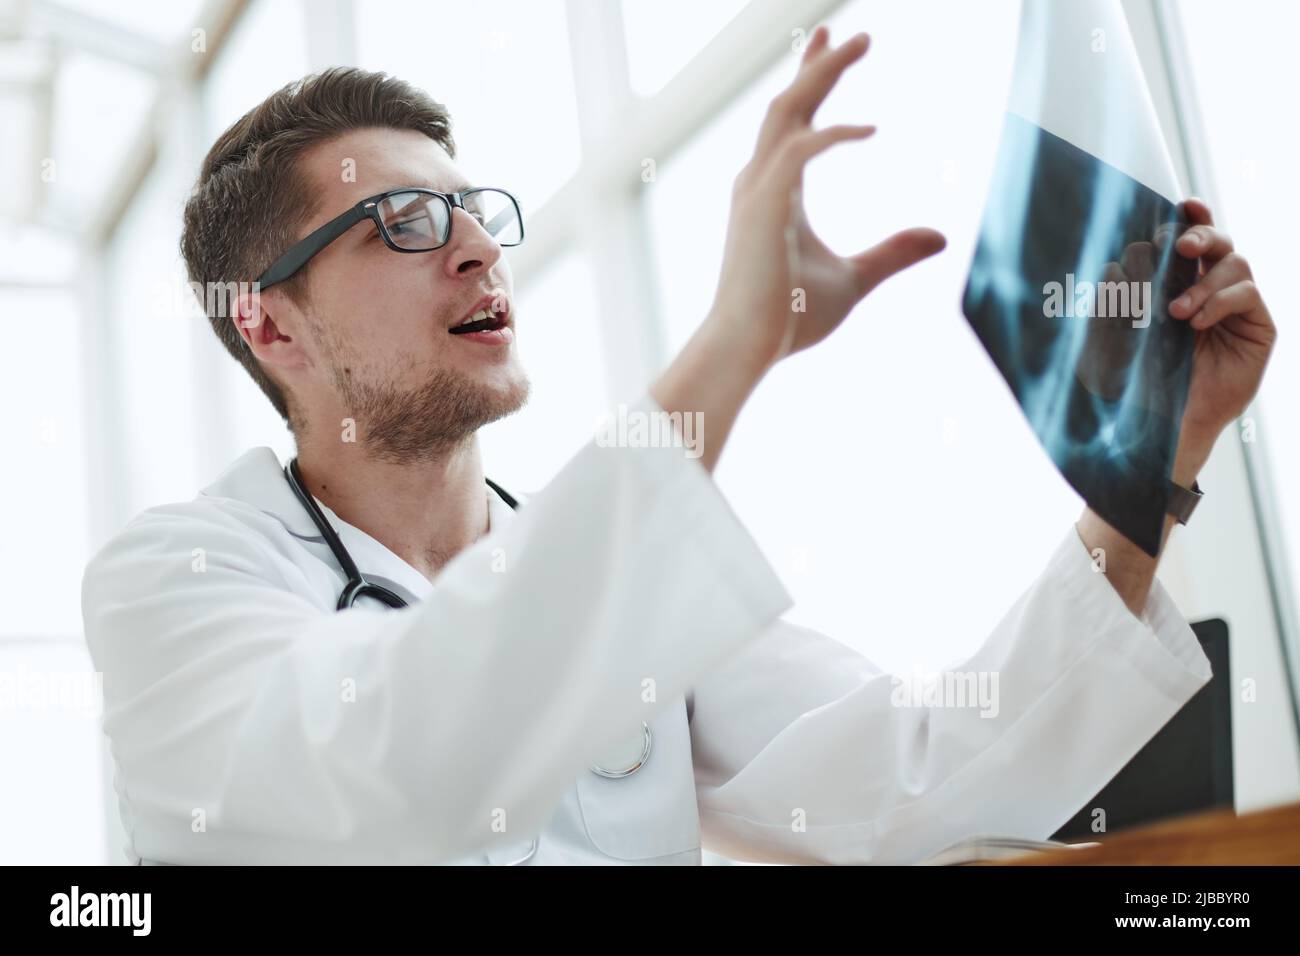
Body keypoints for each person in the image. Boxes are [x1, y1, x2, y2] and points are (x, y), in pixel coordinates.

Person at [81, 28, 1275, 865]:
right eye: (399, 221)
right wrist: (733, 340)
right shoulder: (177, 585)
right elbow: (398, 768)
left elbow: (917, 783)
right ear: (269, 319)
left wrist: (1149, 468)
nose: (477, 250)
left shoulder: (611, 569)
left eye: (472, 211)